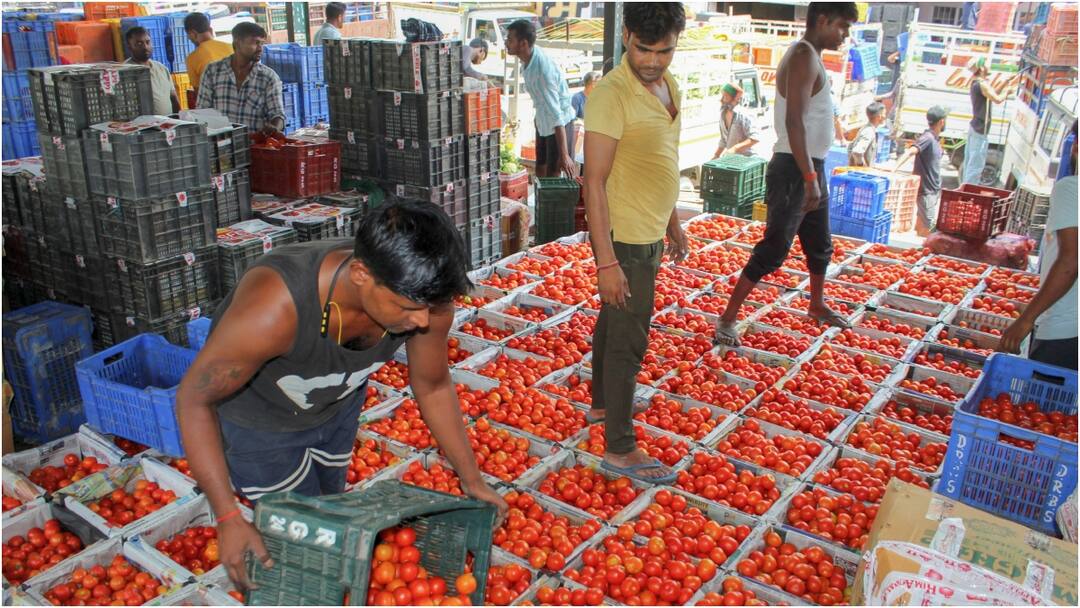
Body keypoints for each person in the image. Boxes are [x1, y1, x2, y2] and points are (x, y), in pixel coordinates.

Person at [176, 199, 508, 590]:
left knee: (329, 511)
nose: (421, 322)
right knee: (298, 544)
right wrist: (228, 516)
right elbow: (193, 400)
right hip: (262, 423)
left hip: (336, 407)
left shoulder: (425, 302)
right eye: (407, 307)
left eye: (429, 307)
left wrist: (472, 480)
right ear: (361, 274)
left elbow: (433, 385)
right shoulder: (275, 309)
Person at [584, 2, 688, 483]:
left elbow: (663, 156)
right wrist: (607, 261)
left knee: (614, 322)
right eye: (644, 49)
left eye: (663, 50)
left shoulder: (671, 86)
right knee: (630, 339)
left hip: (650, 229)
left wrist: (672, 221)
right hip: (623, 237)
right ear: (626, 36)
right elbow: (595, 181)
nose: (651, 60)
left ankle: (603, 406)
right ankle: (621, 450)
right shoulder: (611, 94)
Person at [715, 2, 858, 346]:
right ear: (822, 20)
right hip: (795, 167)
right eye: (842, 27)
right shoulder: (803, 57)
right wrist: (809, 178)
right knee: (776, 247)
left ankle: (817, 304)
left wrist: (814, 173)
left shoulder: (809, 56)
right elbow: (794, 121)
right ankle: (727, 319)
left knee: (819, 243)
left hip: (810, 165)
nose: (845, 35)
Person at [999, 122, 1078, 370]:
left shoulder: (1071, 188)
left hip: (1064, 328)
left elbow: (1070, 261)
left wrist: (1025, 320)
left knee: (1045, 403)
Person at [506, 19, 578, 178]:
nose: (506, 43)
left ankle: (558, 202)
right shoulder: (529, 56)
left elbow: (557, 115)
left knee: (554, 172)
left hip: (559, 125)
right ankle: (541, 202)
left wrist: (564, 155)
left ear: (523, 43)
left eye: (510, 40)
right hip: (543, 121)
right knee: (540, 168)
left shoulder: (542, 71)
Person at [196, 23, 286, 136]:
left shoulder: (269, 78)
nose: (260, 49)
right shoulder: (212, 71)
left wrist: (275, 128)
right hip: (220, 147)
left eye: (262, 43)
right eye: (256, 43)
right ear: (238, 42)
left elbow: (277, 114)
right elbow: (202, 112)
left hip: (254, 149)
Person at [894, 105, 948, 236]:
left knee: (921, 229)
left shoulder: (934, 139)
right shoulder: (927, 138)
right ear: (942, 121)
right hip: (926, 191)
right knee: (932, 229)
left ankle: (919, 251)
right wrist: (894, 168)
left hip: (933, 190)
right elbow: (911, 151)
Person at [962, 57, 1011, 184]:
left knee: (970, 162)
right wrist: (1007, 92)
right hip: (979, 129)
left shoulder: (977, 83)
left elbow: (992, 94)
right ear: (982, 68)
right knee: (975, 166)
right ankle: (968, 192)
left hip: (975, 127)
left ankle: (965, 188)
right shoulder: (982, 84)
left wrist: (1004, 83)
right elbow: (997, 99)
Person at [125, 27, 179, 115]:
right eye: (139, 43)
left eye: (147, 42)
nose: (145, 47)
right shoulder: (125, 72)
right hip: (142, 127)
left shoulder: (162, 68)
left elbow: (173, 98)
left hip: (168, 125)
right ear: (129, 47)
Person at [184, 12, 232, 91]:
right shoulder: (231, 47)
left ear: (193, 33)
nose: (189, 38)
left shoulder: (192, 58)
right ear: (210, 30)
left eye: (188, 35)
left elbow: (198, 92)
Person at [713, 83, 760, 158]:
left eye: (725, 96)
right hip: (731, 159)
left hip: (747, 159)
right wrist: (716, 155)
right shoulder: (723, 113)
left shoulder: (744, 115)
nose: (721, 99)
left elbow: (755, 138)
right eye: (722, 95)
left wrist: (735, 148)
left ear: (735, 97)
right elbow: (724, 139)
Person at [847, 101, 886, 167]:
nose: (885, 116)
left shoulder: (866, 128)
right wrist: (862, 166)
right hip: (860, 175)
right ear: (879, 116)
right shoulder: (868, 131)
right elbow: (857, 152)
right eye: (884, 114)